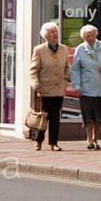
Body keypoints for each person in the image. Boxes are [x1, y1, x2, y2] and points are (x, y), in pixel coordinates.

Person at [70, 24, 101, 150]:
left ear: (96, 35)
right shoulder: (80, 49)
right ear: (83, 38)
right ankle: (89, 139)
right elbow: (75, 69)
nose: (90, 38)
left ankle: (96, 139)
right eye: (87, 36)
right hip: (87, 87)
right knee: (89, 116)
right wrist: (77, 85)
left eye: (92, 35)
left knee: (98, 117)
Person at [30, 21, 72, 152]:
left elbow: (67, 66)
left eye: (56, 32)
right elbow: (33, 70)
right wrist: (36, 84)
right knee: (43, 117)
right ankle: (38, 141)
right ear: (46, 35)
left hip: (59, 89)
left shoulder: (64, 49)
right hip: (44, 89)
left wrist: (66, 79)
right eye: (52, 32)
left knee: (55, 118)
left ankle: (54, 143)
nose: (55, 34)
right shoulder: (39, 50)